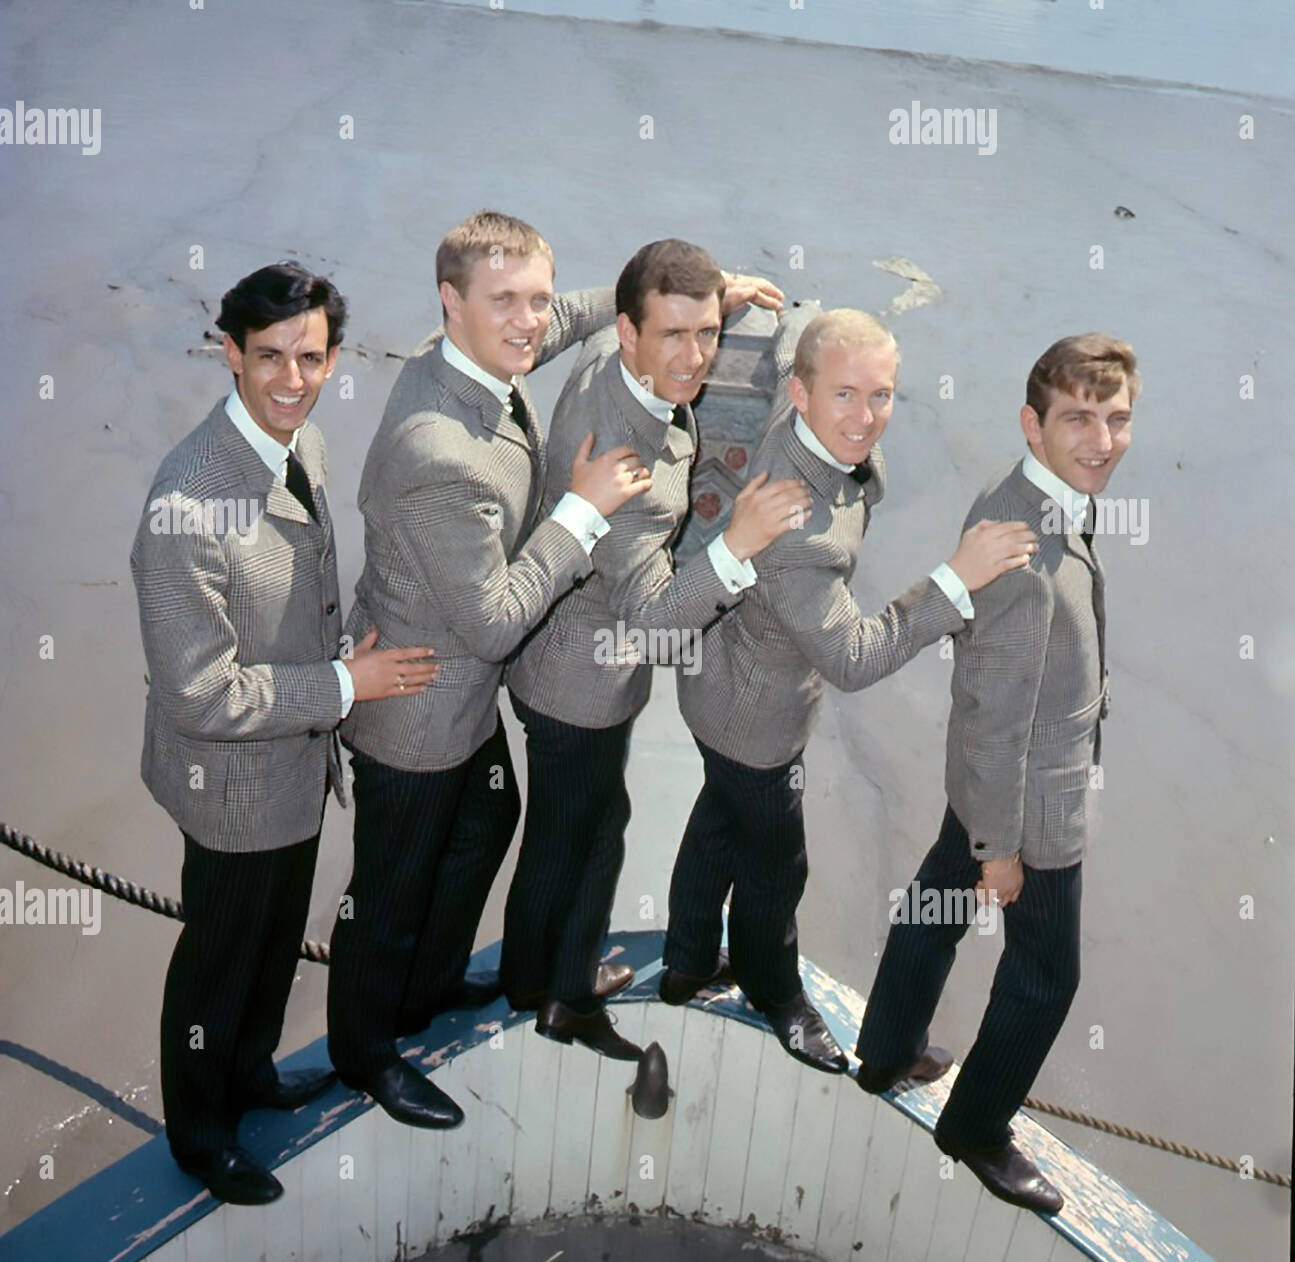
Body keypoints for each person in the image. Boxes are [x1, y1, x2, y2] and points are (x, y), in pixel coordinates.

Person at [327, 211, 650, 1128]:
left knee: (489, 820)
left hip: (461, 700)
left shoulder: (467, 357)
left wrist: (651, 298)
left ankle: (425, 990)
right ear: (449, 301)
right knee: (387, 896)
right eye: (504, 300)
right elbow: (495, 624)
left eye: (536, 299)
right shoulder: (438, 451)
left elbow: (560, 317)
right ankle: (366, 1054)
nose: (528, 321)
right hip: (418, 709)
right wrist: (581, 513)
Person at [130, 263, 437, 1204]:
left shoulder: (305, 443)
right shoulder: (187, 504)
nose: (291, 379)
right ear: (229, 353)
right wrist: (346, 683)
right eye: (269, 357)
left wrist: (340, 651)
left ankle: (251, 1072)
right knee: (218, 963)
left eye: (310, 357)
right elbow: (198, 696)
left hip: (296, 765)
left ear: (334, 358)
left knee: (272, 945)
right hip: (226, 789)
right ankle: (200, 1135)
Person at [666, 306, 1037, 1074]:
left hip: (713, 683)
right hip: (753, 724)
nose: (866, 419)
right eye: (845, 396)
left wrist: (758, 306)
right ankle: (774, 993)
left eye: (881, 395)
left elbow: (796, 356)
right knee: (777, 867)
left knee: (717, 821)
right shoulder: (797, 534)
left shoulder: (802, 422)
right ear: (801, 396)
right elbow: (854, 659)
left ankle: (687, 959)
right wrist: (954, 581)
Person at [854, 334, 1138, 1215]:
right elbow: (994, 720)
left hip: (989, 787)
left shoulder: (1023, 496)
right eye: (1078, 419)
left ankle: (885, 1051)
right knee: (1045, 979)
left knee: (934, 908)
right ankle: (975, 1130)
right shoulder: (1024, 560)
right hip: (1028, 808)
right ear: (1031, 423)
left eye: (1117, 418)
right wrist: (1000, 852)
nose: (1102, 440)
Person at [502, 239, 807, 1058]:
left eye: (705, 334)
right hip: (580, 684)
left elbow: (627, 309)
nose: (695, 357)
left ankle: (529, 976)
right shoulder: (628, 466)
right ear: (631, 331)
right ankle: (566, 999)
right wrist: (735, 547)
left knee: (560, 831)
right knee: (590, 835)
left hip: (547, 652)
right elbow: (657, 626)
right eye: (673, 335)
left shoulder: (605, 357)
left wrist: (712, 296)